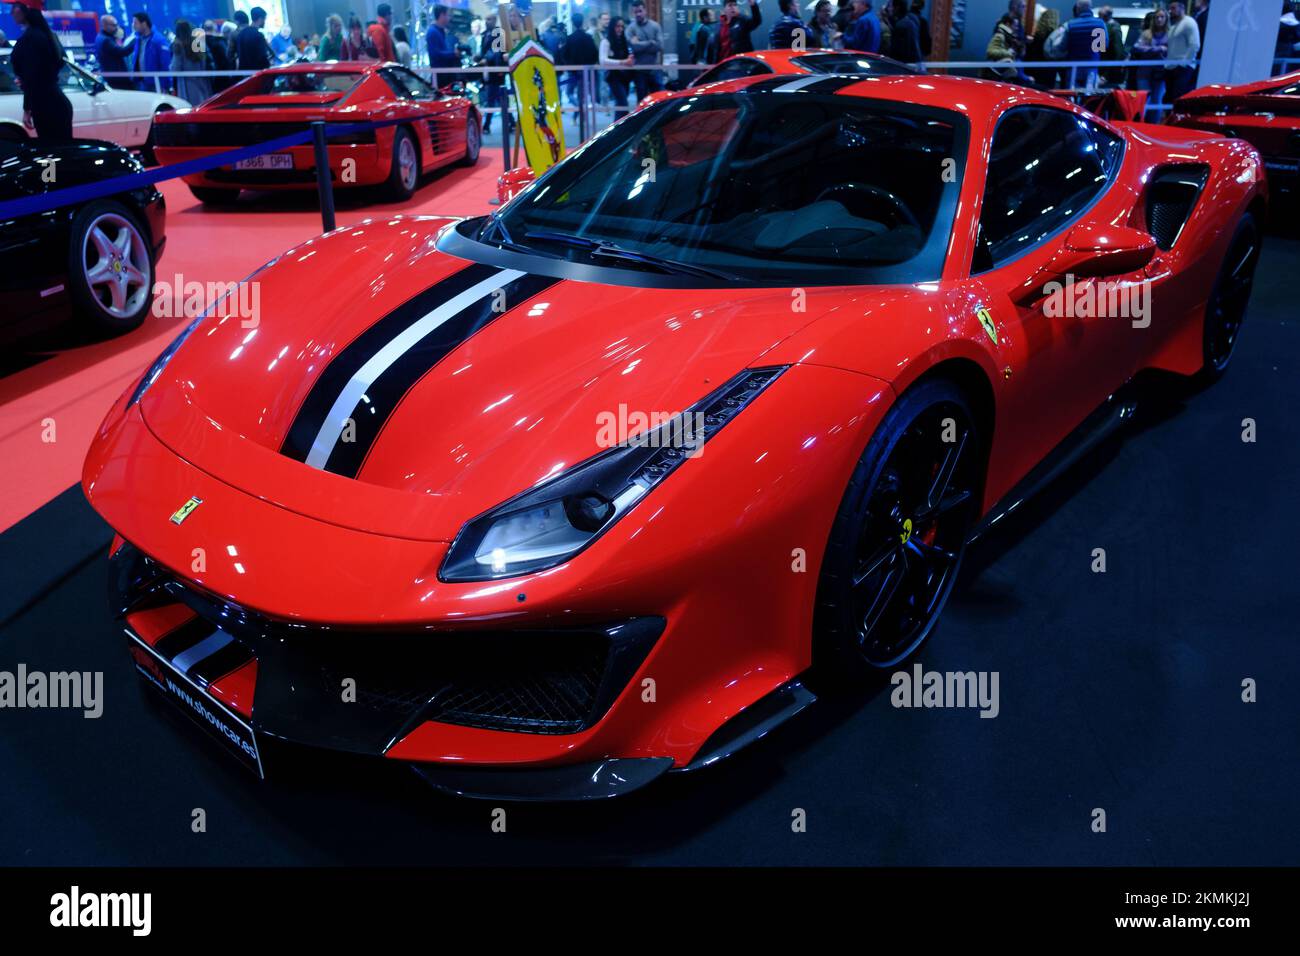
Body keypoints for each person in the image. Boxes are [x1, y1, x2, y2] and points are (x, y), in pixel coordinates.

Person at [9, 0, 72, 142]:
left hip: (44, 106)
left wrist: (27, 108)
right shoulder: (49, 36)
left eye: (14, 8)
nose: (11, 12)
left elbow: (31, 78)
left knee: (51, 156)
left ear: (25, 10)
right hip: (57, 101)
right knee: (63, 154)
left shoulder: (29, 39)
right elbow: (61, 63)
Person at [1132, 7, 1168, 121]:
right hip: (1144, 72)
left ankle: (1154, 125)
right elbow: (1137, 47)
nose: (1159, 19)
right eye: (1157, 17)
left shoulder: (1170, 34)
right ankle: (1141, 124)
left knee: (1157, 101)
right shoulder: (1146, 33)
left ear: (1166, 19)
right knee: (1143, 99)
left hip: (1161, 73)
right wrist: (1158, 49)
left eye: (1162, 17)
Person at [124, 11, 171, 93]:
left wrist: (165, 85)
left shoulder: (158, 40)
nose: (133, 26)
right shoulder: (138, 39)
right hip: (142, 83)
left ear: (144, 24)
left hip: (156, 84)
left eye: (135, 23)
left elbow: (165, 64)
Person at [1064, 0, 1106, 90]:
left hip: (1074, 66)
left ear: (1078, 8)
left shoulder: (1071, 24)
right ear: (1090, 8)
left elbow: (1064, 45)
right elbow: (1103, 46)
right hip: (1092, 64)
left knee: (1072, 94)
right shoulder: (1100, 24)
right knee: (1089, 94)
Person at [170, 19, 214, 104]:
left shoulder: (178, 47)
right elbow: (204, 64)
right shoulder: (199, 44)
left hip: (187, 87)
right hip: (203, 84)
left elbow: (175, 69)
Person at [600, 16, 635, 115]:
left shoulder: (624, 41)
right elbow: (602, 61)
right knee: (623, 103)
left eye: (622, 26)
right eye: (617, 26)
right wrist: (623, 62)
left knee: (620, 104)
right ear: (612, 27)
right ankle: (623, 128)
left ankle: (619, 128)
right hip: (613, 76)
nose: (620, 29)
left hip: (625, 76)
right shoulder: (606, 41)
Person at [1165, 1, 1200, 102]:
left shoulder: (1189, 23)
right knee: (1170, 98)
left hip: (1182, 68)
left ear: (1182, 8)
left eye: (1173, 8)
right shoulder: (1173, 26)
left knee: (1178, 98)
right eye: (1170, 8)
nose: (1170, 11)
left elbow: (1194, 44)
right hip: (1171, 67)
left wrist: (1184, 64)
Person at [562, 14, 597, 106]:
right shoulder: (588, 38)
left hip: (573, 71)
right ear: (582, 22)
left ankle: (577, 108)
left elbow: (565, 54)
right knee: (581, 94)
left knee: (569, 92)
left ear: (572, 23)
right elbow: (594, 53)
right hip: (585, 71)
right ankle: (581, 110)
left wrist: (569, 66)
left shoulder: (570, 38)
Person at [94, 15, 132, 90]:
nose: (117, 27)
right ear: (105, 25)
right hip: (118, 79)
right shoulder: (106, 40)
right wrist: (136, 40)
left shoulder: (100, 37)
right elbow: (122, 52)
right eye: (114, 25)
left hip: (112, 77)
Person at [236, 7, 273, 71]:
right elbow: (262, 57)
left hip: (245, 74)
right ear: (260, 19)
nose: (265, 22)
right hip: (258, 73)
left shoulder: (240, 34)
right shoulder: (259, 35)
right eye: (264, 19)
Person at [888, 0, 923, 65]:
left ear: (897, 8)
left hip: (904, 65)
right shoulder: (912, 19)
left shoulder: (901, 25)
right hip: (915, 63)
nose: (890, 9)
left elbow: (897, 51)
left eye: (891, 7)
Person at [1098, 5, 1125, 85]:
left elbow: (1118, 54)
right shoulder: (1103, 27)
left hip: (1108, 74)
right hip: (1101, 71)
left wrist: (1106, 76)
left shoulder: (1114, 29)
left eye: (1101, 16)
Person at [426, 5, 459, 69]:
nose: (449, 18)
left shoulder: (440, 31)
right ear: (442, 15)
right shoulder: (433, 32)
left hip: (445, 71)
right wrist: (453, 54)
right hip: (439, 73)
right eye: (448, 15)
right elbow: (435, 54)